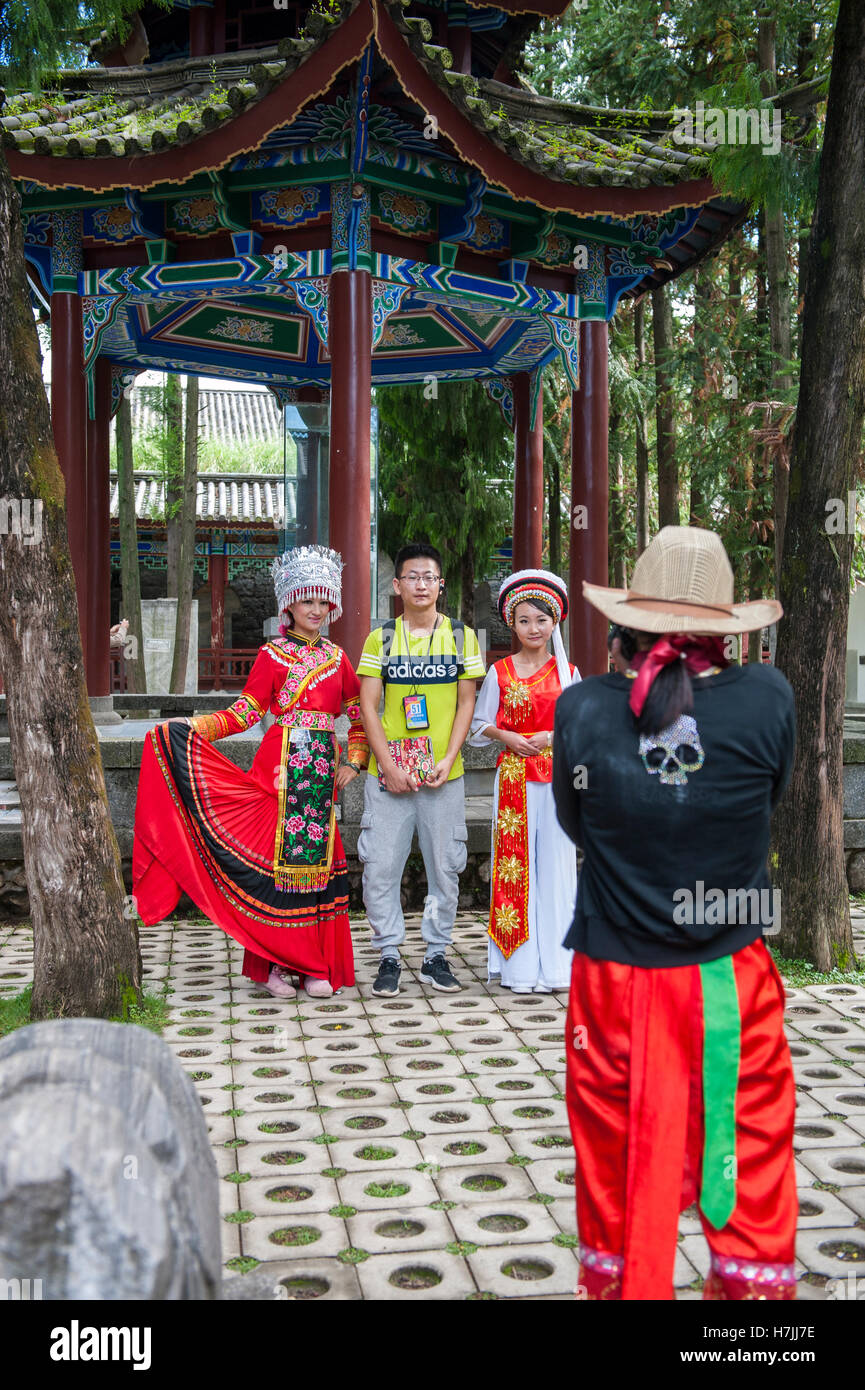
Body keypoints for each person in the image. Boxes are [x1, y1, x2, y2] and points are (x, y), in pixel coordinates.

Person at [552, 526, 797, 1301]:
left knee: (617, 1161)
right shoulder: (768, 697)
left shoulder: (582, 708)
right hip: (730, 978)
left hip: (612, 981)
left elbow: (573, 821)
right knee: (748, 1160)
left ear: (626, 622)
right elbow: (770, 797)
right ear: (726, 627)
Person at [133, 545, 369, 1000]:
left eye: (323, 601)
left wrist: (354, 762)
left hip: (319, 772)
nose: (316, 610)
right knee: (274, 867)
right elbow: (245, 712)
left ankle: (316, 964)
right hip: (278, 769)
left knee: (314, 868)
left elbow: (358, 717)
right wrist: (195, 726)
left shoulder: (340, 659)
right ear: (290, 605)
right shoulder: (271, 656)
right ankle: (274, 965)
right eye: (307, 600)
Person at [357, 542, 486, 996]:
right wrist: (388, 767)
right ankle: (388, 954)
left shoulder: (462, 637)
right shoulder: (381, 639)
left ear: (440, 584)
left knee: (444, 868)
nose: (420, 585)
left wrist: (450, 758)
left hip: (442, 777)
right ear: (397, 585)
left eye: (429, 577)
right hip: (389, 779)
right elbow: (368, 707)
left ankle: (435, 954)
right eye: (412, 577)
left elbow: (467, 703)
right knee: (380, 867)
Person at [470, 569, 579, 993]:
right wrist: (506, 735)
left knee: (557, 866)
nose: (533, 628)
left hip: (557, 779)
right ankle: (518, 967)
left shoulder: (568, 672)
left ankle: (558, 965)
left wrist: (552, 735)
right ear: (511, 624)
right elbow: (479, 725)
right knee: (515, 867)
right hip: (515, 776)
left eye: (541, 620)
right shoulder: (500, 673)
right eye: (524, 620)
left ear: (555, 622)